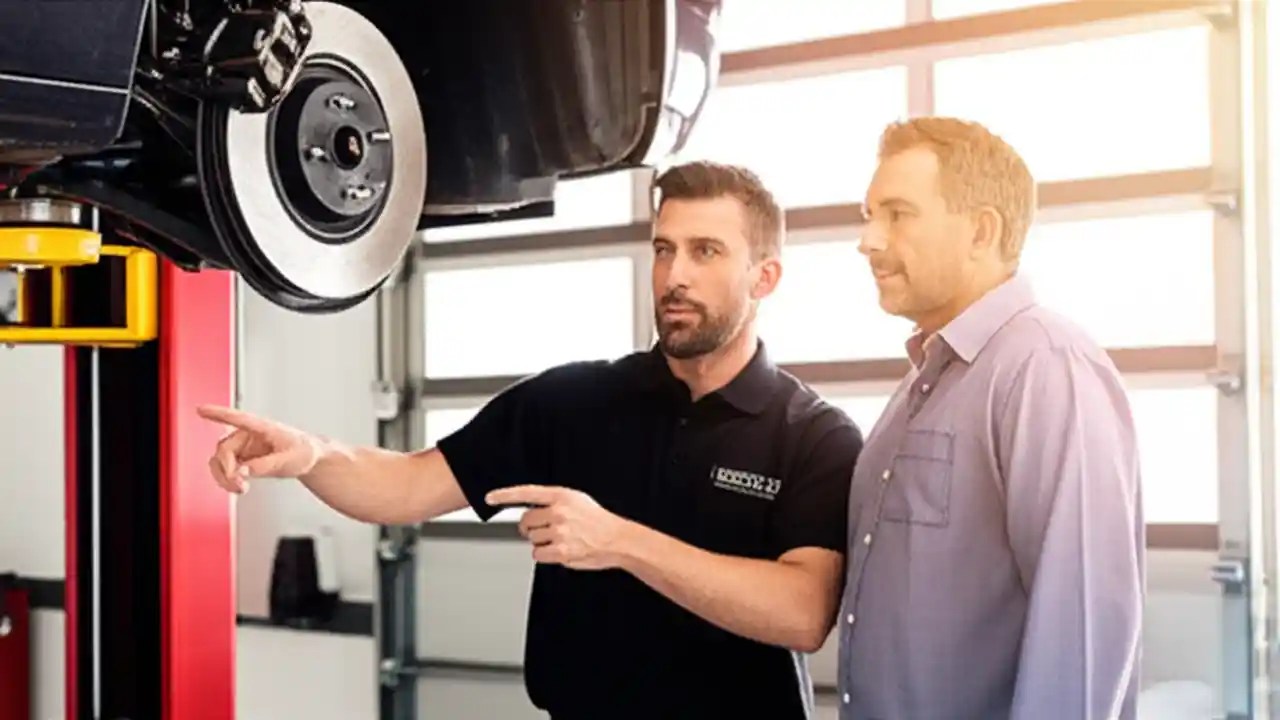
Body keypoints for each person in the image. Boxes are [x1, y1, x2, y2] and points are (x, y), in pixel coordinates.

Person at [198, 161, 864, 719]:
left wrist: (618, 541)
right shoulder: (572, 402)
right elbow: (407, 484)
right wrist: (313, 455)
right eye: (663, 248)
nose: (674, 275)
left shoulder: (813, 435)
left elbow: (802, 612)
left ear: (764, 278)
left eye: (705, 251)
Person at [837, 117, 1144, 720]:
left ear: (981, 230)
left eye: (897, 215)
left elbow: (1080, 633)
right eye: (868, 214)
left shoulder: (1045, 366)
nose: (868, 240)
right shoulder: (928, 379)